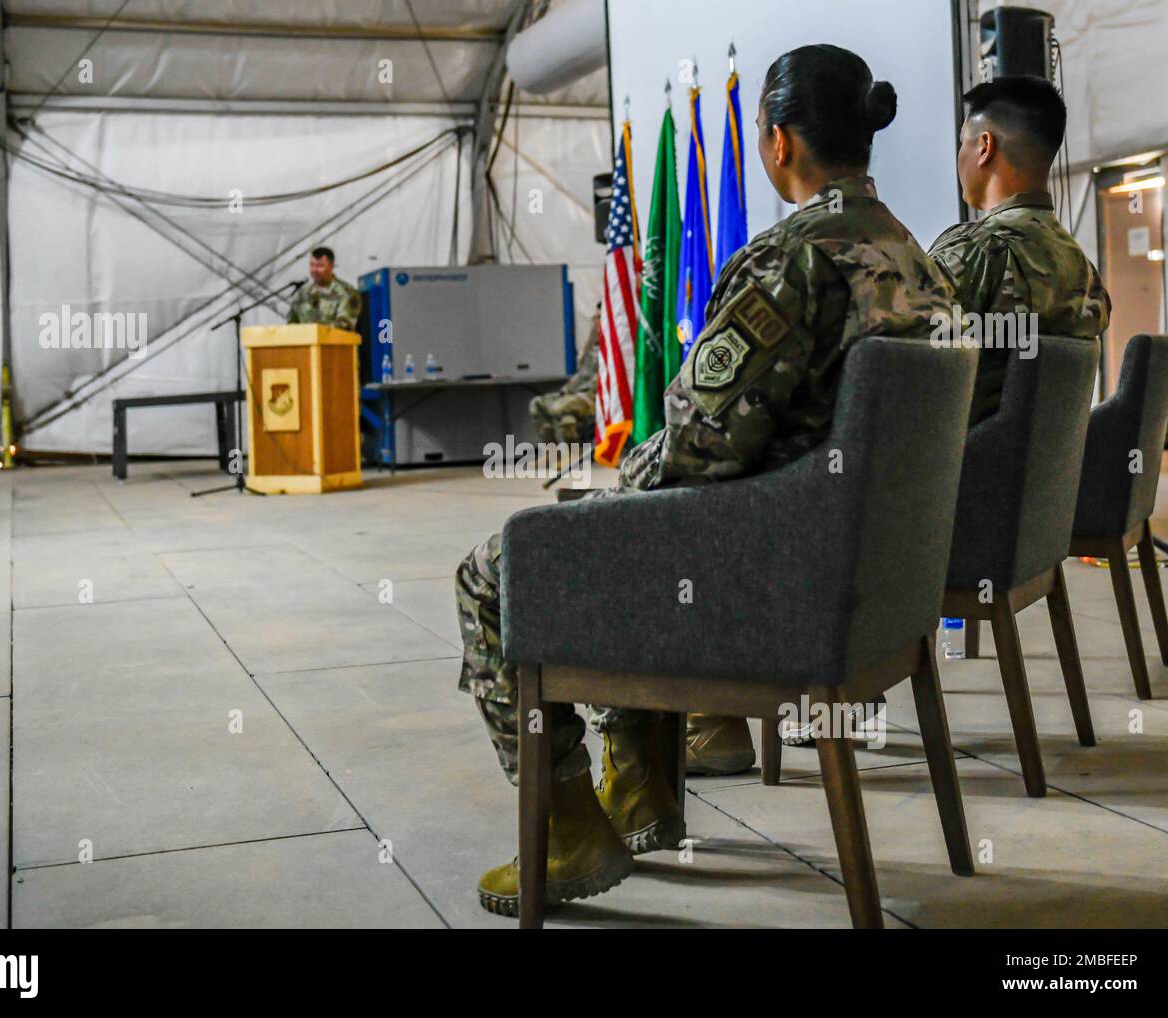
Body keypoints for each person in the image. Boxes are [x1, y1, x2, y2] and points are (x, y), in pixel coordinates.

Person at [456, 43, 956, 917]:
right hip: (875, 586)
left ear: (775, 143)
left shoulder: (792, 260)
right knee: (632, 528)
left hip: (772, 585)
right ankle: (641, 790)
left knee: (502, 567)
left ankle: (570, 823)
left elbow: (699, 443)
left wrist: (612, 490)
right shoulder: (925, 265)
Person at [929, 76, 1111, 424]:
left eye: (962, 144)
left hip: (962, 471)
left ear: (984, 147)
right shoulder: (1085, 272)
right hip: (1051, 474)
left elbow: (900, 372)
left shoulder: (974, 252)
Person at [529, 313, 598, 445]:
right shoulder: (591, 349)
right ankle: (552, 451)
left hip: (594, 397)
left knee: (562, 408)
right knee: (537, 403)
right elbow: (581, 375)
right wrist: (566, 390)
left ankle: (574, 451)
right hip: (577, 395)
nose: (596, 323)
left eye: (599, 319)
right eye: (595, 319)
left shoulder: (614, 351)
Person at [286, 246, 362, 330]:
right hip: (305, 342)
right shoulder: (303, 293)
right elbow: (291, 324)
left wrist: (316, 331)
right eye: (312, 265)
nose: (315, 270)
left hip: (335, 342)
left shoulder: (347, 293)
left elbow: (344, 325)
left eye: (320, 266)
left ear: (331, 267)